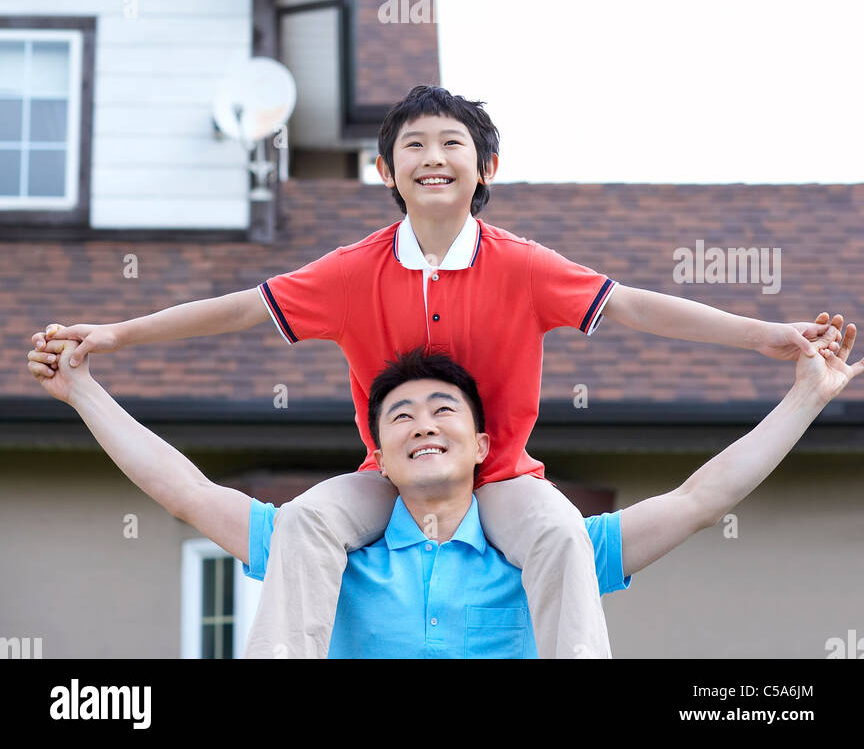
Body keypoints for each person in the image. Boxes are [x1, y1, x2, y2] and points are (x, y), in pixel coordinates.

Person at [31, 86, 841, 659]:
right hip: (381, 479)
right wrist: (114, 339)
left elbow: (635, 314)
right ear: (385, 171)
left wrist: (763, 336)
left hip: (507, 475)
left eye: (453, 143)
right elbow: (238, 318)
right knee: (308, 521)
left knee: (559, 530)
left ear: (486, 166)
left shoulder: (523, 266)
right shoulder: (352, 272)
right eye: (413, 144)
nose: (434, 157)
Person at [26, 317, 861, 659]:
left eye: (441, 409)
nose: (423, 422)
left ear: (484, 443)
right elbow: (183, 491)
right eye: (400, 416)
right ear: (378, 458)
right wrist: (85, 391)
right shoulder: (323, 554)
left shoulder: (547, 551)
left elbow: (698, 499)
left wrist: (804, 397)